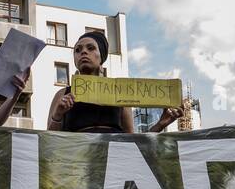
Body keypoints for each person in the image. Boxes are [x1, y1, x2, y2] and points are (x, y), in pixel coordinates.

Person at [47, 31, 182, 133]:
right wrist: (58, 114)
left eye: (90, 48)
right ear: (75, 59)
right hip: (75, 165)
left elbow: (133, 145)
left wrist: (161, 124)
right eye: (78, 50)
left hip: (113, 165)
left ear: (101, 57)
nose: (83, 52)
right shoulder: (62, 95)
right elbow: (49, 142)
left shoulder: (120, 92)